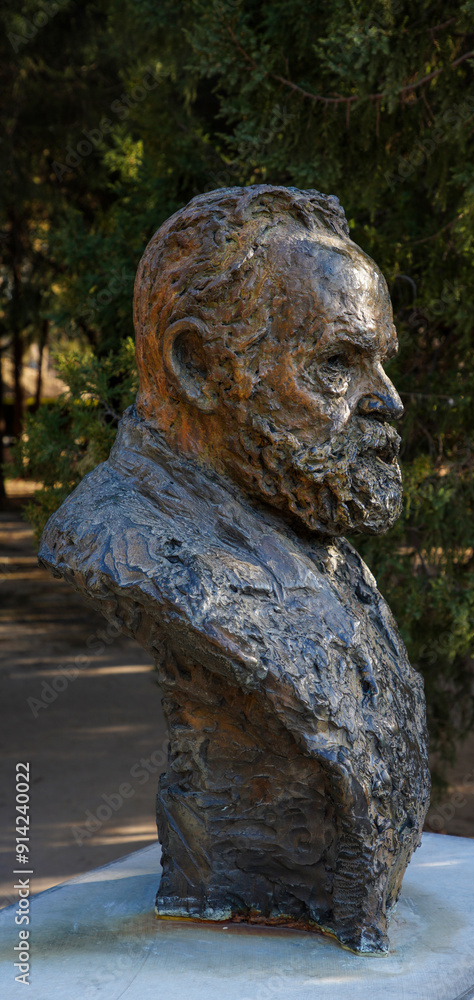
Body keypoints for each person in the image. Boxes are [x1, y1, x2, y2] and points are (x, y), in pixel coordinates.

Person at [40, 185, 430, 955]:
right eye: (336, 364)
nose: (387, 402)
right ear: (196, 366)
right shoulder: (123, 542)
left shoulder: (311, 528)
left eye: (380, 361)